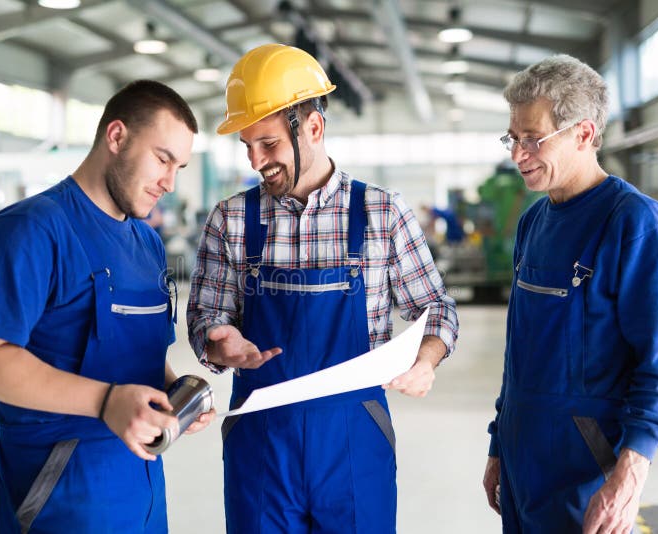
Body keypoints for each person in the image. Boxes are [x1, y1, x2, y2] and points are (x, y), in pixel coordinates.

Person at [187, 43, 459, 533]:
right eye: (246, 145)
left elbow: (436, 309)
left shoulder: (382, 213)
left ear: (312, 127)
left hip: (354, 439)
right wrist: (217, 342)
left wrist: (426, 359)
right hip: (261, 442)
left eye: (267, 143)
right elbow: (206, 316)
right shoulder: (230, 219)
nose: (255, 160)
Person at [0, 80, 215, 533]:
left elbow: (142, 354)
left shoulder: (147, 243)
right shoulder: (29, 230)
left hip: (143, 489)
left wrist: (175, 393)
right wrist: (106, 401)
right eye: (162, 158)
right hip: (58, 498)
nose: (170, 182)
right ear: (116, 137)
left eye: (180, 166)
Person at [482, 55, 658, 533]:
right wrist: (500, 443)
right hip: (522, 462)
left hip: (587, 472)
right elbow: (520, 354)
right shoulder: (533, 223)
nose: (518, 155)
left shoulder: (636, 225)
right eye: (513, 139)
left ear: (582, 134)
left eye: (533, 140)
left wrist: (629, 475)